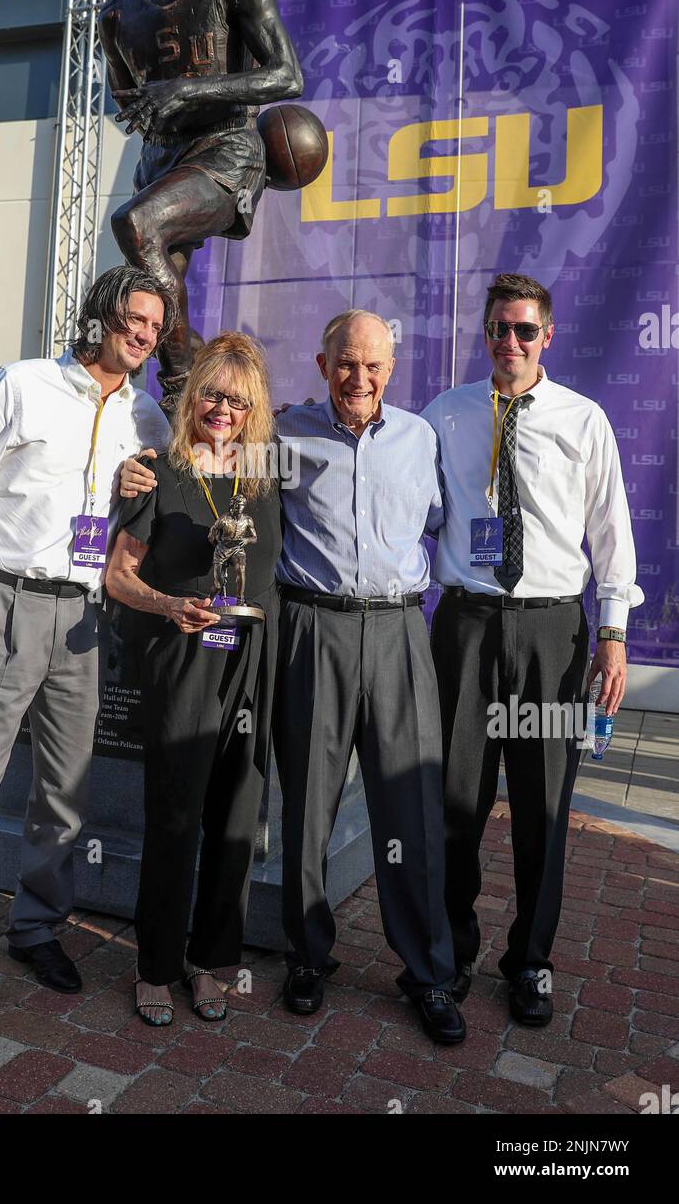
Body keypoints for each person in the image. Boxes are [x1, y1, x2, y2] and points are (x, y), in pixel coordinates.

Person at [0, 267, 174, 1036]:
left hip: (84, 621)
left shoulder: (147, 417)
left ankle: (37, 929)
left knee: (63, 793)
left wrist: (131, 492)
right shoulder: (18, 386)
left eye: (155, 325)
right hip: (1, 605)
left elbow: (146, 511)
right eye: (134, 317)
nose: (145, 333)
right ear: (100, 314)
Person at [422, 272, 643, 1027]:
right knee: (456, 799)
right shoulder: (444, 416)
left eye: (523, 330)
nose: (508, 343)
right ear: (483, 333)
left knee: (544, 806)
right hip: (466, 629)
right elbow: (403, 504)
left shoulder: (584, 421)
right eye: (497, 329)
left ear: (548, 336)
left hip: (552, 635)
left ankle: (531, 962)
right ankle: (449, 953)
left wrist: (611, 635)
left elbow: (612, 533)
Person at [269, 310, 464, 1044]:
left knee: (409, 809)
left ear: (392, 370)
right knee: (309, 808)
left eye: (374, 366)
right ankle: (307, 957)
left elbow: (448, 520)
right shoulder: (285, 435)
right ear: (322, 365)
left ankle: (428, 974)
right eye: (346, 363)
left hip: (397, 632)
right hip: (312, 630)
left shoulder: (421, 440)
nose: (360, 378)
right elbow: (227, 487)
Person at [104, 333, 282, 1026]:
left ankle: (212, 963)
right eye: (212, 393)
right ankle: (154, 966)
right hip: (183, 657)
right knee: (176, 815)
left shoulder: (265, 477)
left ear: (253, 409)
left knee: (236, 818)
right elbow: (119, 575)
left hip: (249, 660)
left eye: (237, 400)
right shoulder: (161, 470)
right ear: (192, 396)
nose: (222, 409)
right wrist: (170, 604)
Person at [101, 0, 303, 405]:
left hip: (226, 150)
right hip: (161, 160)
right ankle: (194, 392)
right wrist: (147, 106)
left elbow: (287, 76)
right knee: (149, 294)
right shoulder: (115, 14)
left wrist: (186, 90)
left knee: (137, 225)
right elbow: (129, 100)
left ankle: (178, 388)